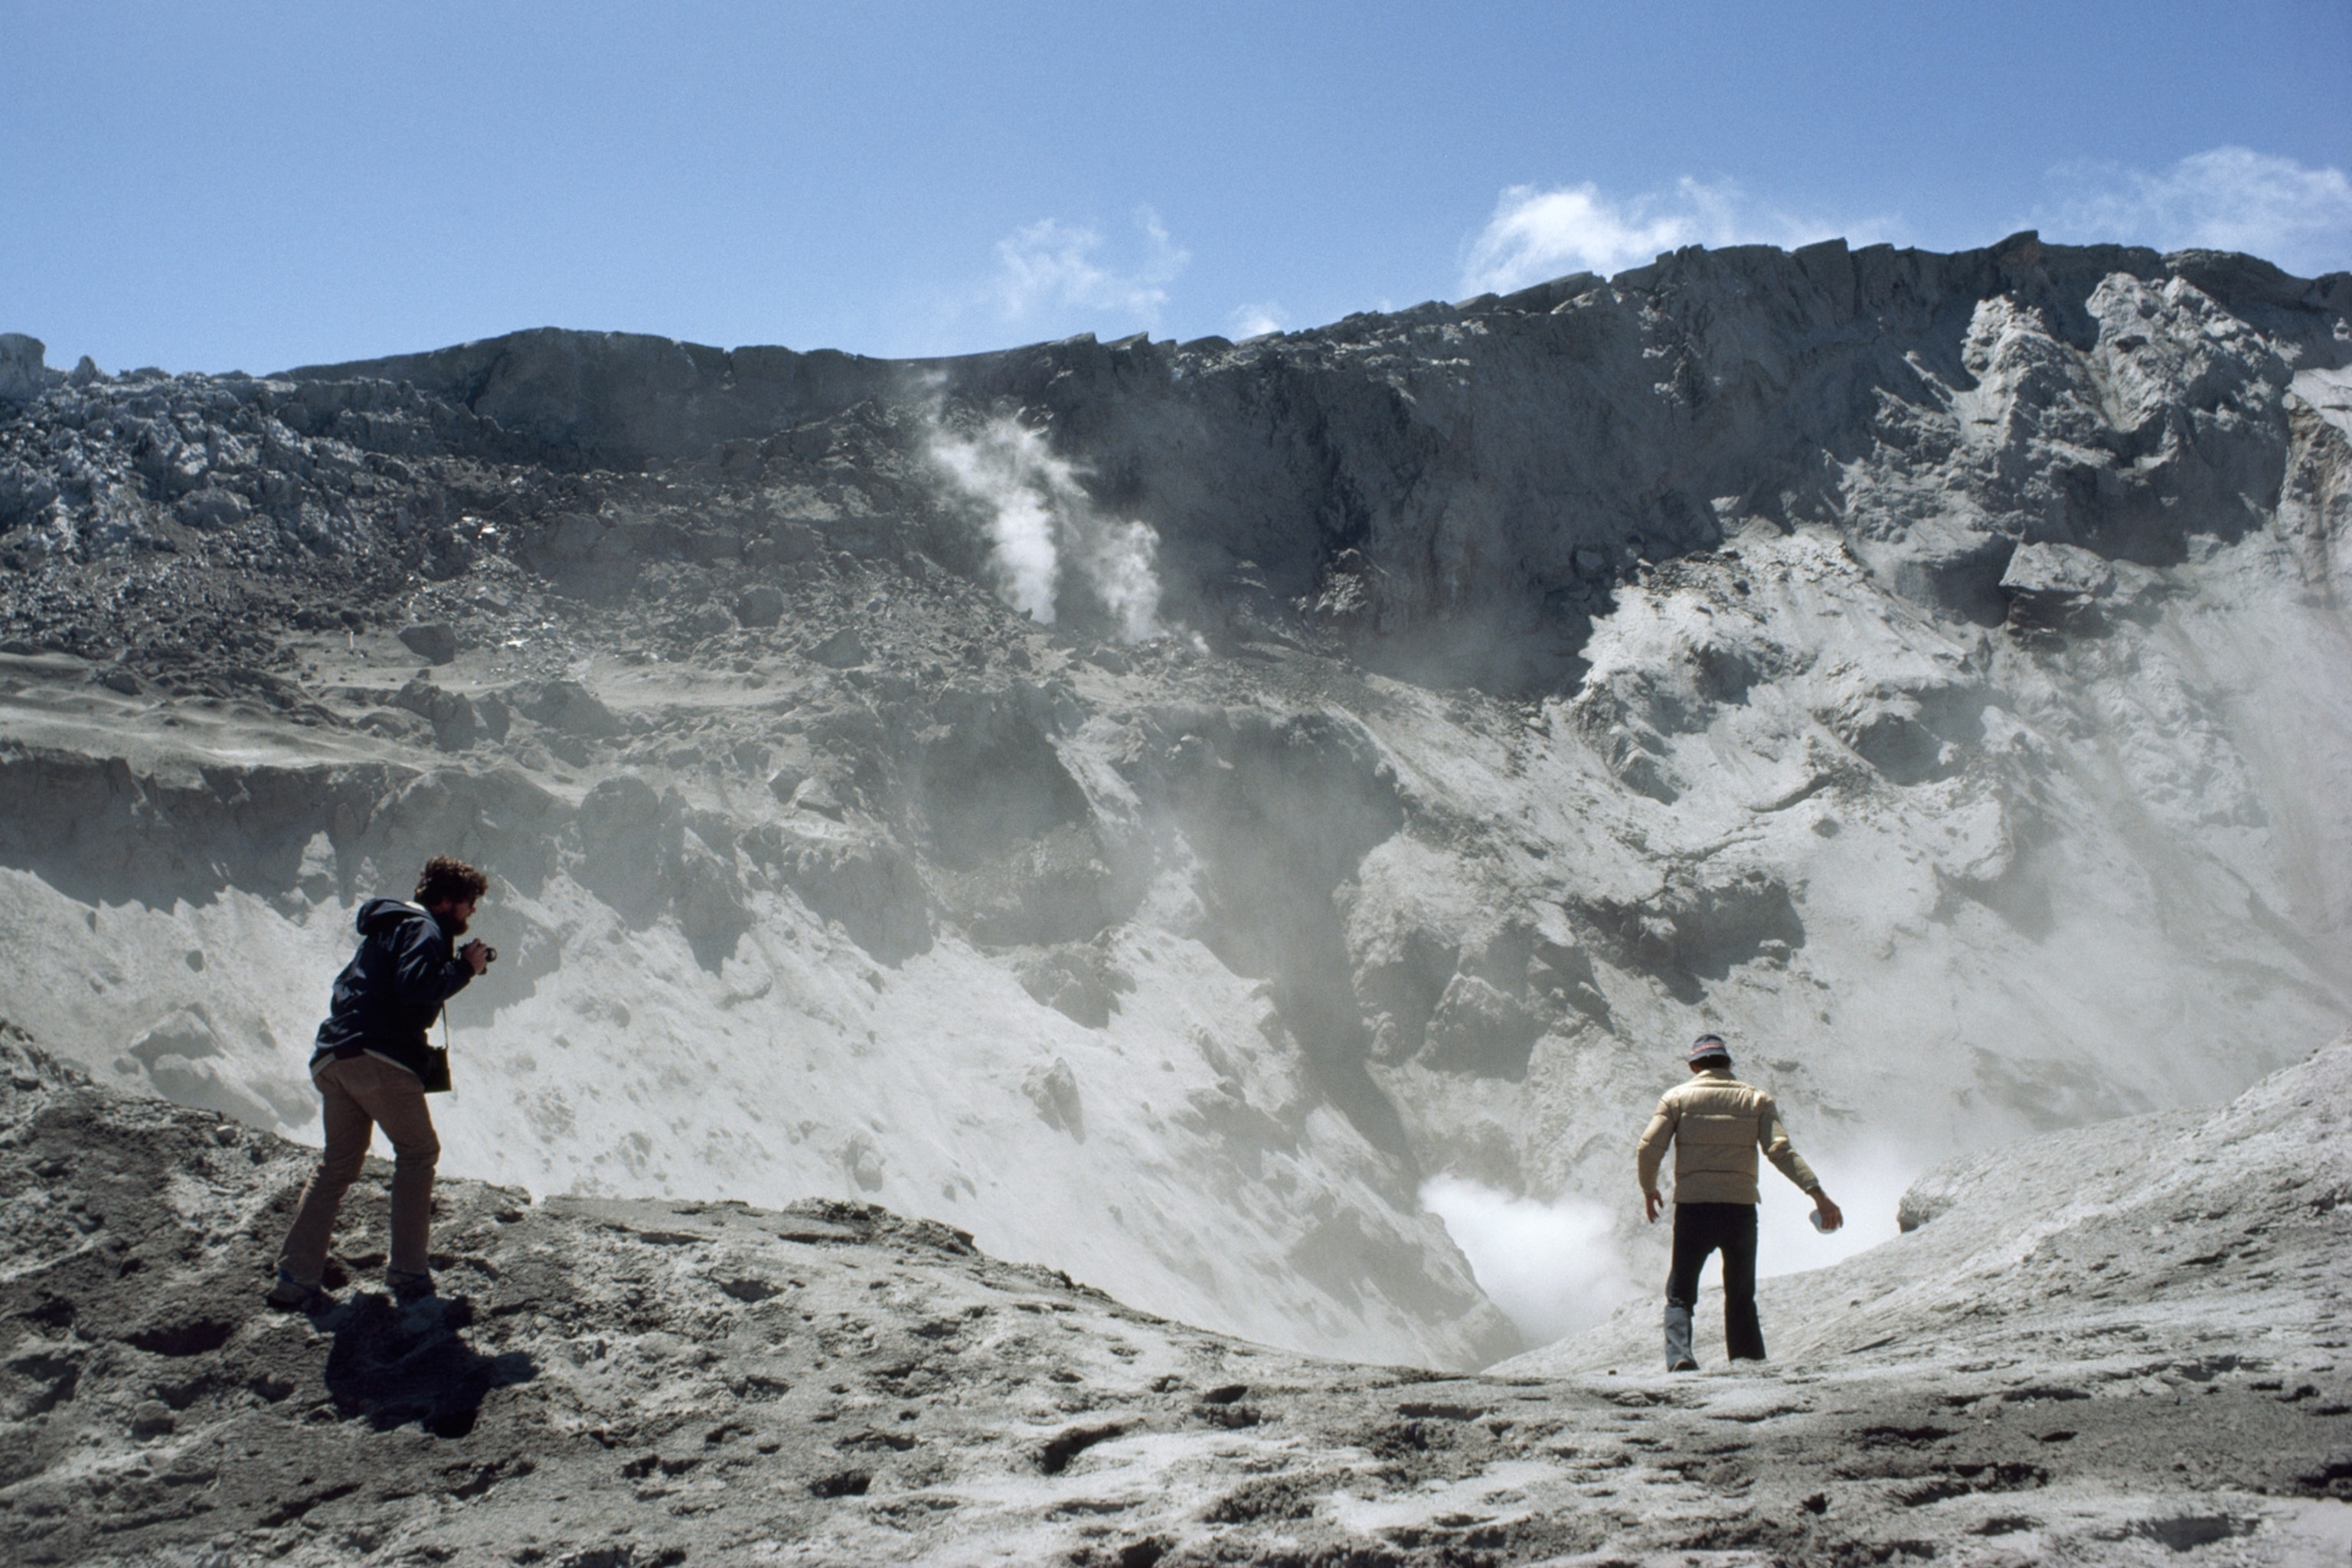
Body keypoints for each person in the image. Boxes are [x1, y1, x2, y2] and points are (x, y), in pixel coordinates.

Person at [266, 856, 492, 1308]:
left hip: (335, 1055)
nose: (471, 914)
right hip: (377, 1056)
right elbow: (415, 987)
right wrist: (465, 968)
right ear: (447, 901)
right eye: (468, 905)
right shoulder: (426, 929)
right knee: (418, 1152)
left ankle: (296, 1276)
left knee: (338, 1165)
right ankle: (408, 1272)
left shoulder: (388, 926)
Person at [1635, 1033, 1843, 1371]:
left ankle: (1680, 1358)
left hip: (1694, 1207)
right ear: (1728, 1064)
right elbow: (1780, 1151)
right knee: (1741, 1293)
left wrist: (1649, 1188)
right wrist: (1817, 1194)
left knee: (1680, 1293)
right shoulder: (1757, 1099)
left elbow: (1648, 1147)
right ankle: (1747, 1362)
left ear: (1694, 1066)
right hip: (1739, 1209)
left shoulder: (1676, 1098)